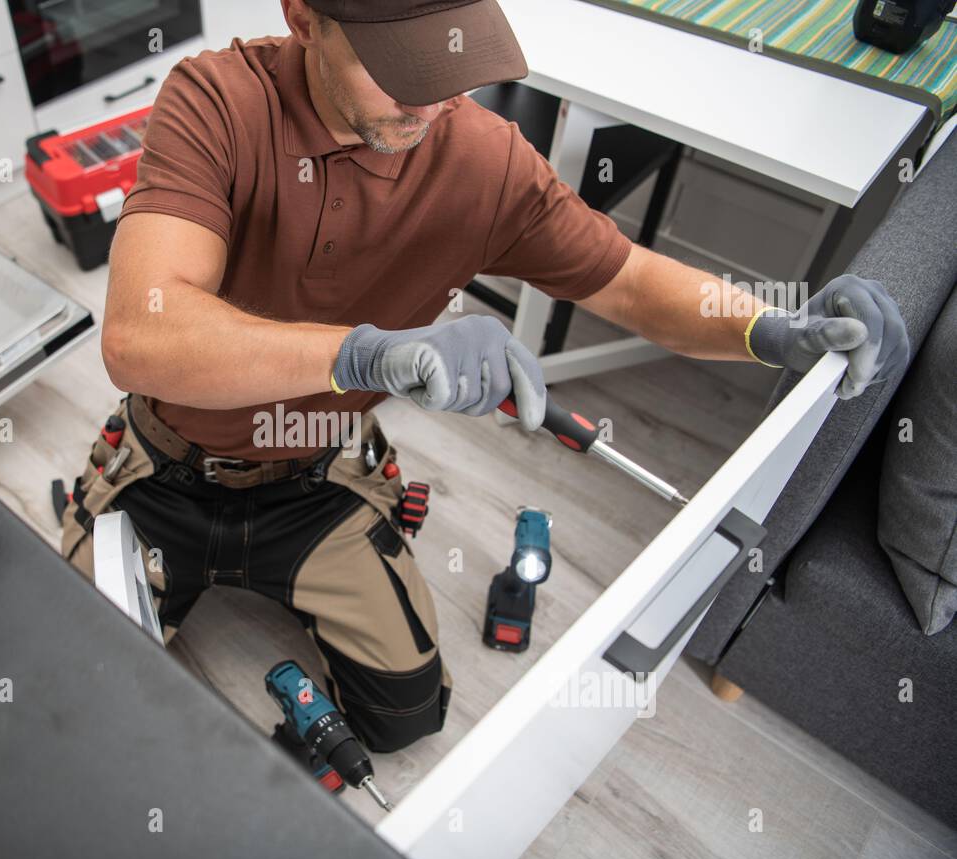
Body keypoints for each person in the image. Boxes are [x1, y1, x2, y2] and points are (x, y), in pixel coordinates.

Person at [61, 0, 908, 755]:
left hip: (315, 471)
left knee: (403, 718)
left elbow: (626, 281)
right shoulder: (216, 102)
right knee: (77, 687)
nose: (429, 102)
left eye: (450, 66)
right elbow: (143, 333)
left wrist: (768, 326)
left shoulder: (483, 160)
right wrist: (364, 352)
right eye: (399, 70)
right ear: (303, 17)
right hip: (170, 463)